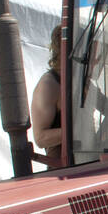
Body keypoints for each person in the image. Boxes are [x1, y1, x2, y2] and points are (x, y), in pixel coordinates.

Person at [30, 24, 63, 161]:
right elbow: (40, 138)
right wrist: (79, 130)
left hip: (91, 163)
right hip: (65, 171)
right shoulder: (49, 85)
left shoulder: (81, 80)